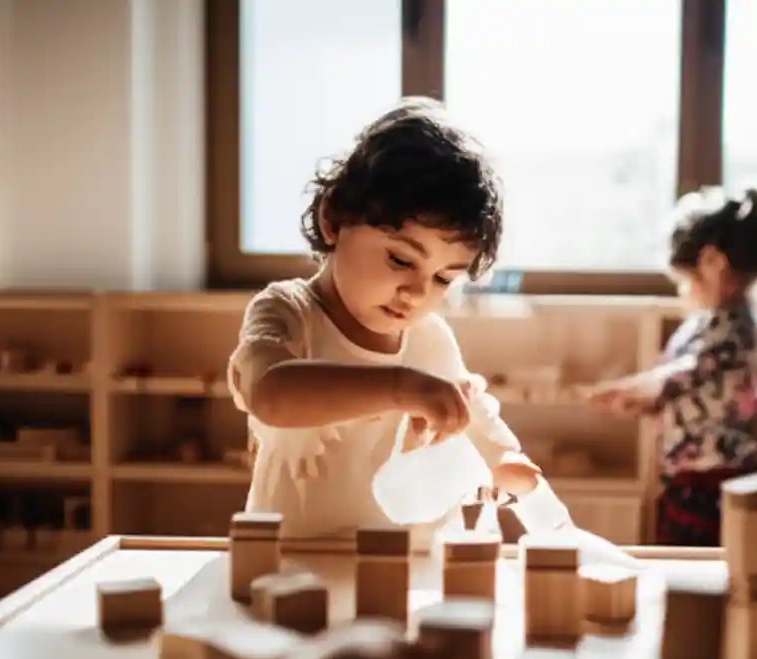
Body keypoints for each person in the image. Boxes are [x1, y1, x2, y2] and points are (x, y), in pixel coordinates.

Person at [227, 97, 568, 541]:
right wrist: (399, 387)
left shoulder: (429, 338)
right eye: (400, 260)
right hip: (297, 558)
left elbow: (469, 412)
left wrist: (502, 458)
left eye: (444, 278)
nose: (418, 293)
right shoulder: (289, 312)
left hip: (411, 561)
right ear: (333, 219)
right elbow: (270, 393)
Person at [588, 188, 757, 546]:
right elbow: (692, 389)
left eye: (685, 281)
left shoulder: (734, 324)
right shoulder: (707, 322)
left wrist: (627, 389)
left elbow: (684, 374)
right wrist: (644, 402)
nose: (683, 292)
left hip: (713, 480)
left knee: (695, 569)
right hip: (688, 476)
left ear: (713, 263)